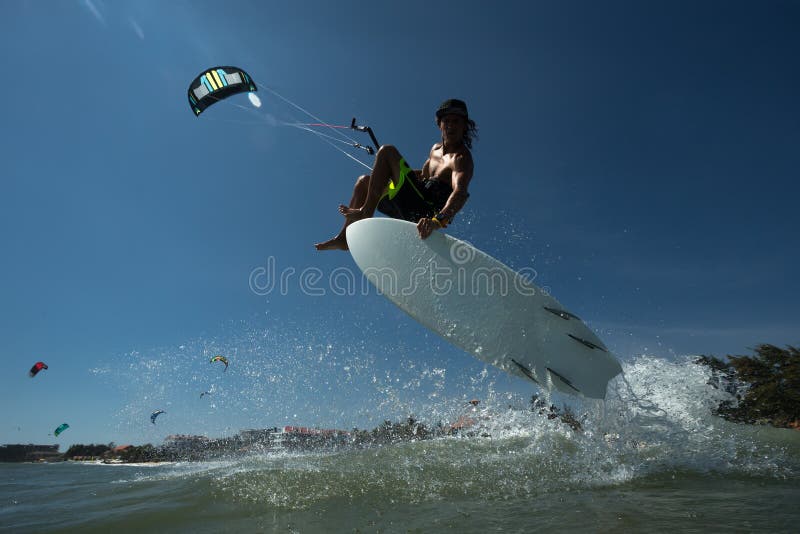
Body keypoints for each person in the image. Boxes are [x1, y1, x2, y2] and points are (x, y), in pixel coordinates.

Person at [314, 98, 477, 251]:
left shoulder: (462, 158)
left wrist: (437, 221)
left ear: (464, 126)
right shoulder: (435, 149)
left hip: (425, 213)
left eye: (456, 122)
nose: (451, 126)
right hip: (409, 203)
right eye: (446, 121)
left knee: (387, 151)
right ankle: (344, 239)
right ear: (439, 124)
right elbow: (423, 176)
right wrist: (386, 172)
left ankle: (365, 212)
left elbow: (460, 193)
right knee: (364, 182)